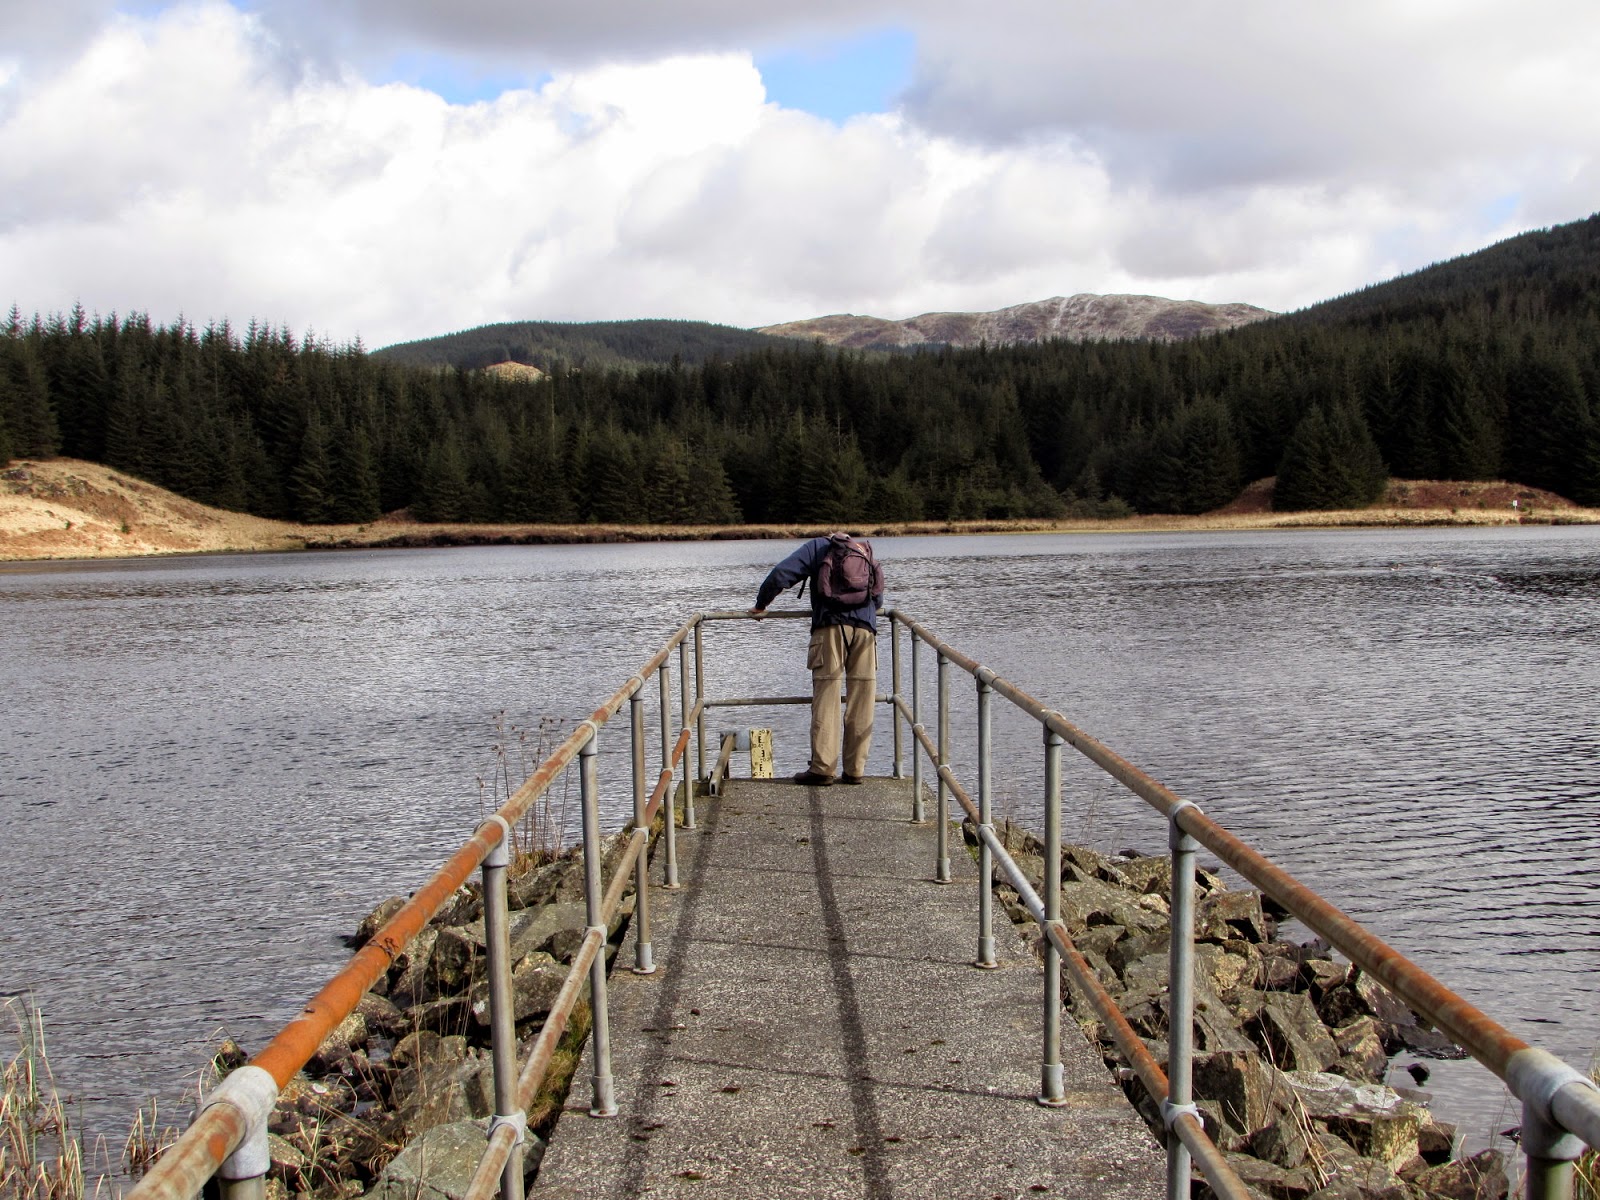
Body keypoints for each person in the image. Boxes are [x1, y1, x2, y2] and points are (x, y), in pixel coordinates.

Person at [749, 534, 883, 786]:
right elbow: (877, 596)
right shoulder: (863, 548)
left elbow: (781, 575)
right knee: (862, 700)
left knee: (827, 697)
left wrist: (760, 605)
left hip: (830, 628)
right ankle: (855, 769)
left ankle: (823, 768)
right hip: (866, 630)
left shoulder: (817, 547)